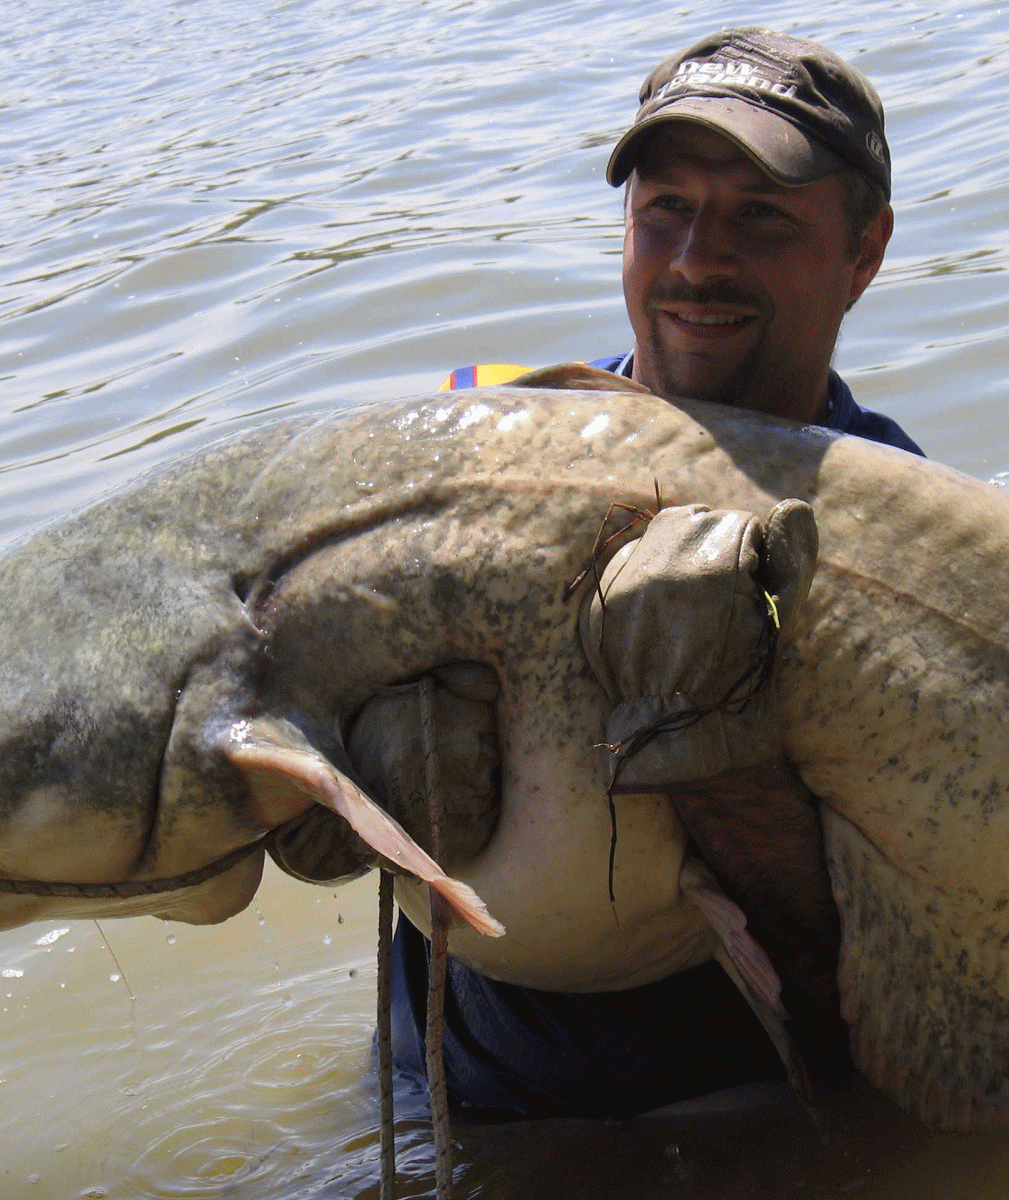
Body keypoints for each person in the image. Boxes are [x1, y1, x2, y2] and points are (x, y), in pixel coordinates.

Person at [401, 28, 924, 1119]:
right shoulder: (483, 439)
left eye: (760, 216)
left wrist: (720, 761)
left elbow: (905, 964)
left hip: (733, 1109)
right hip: (448, 1091)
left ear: (864, 254)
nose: (695, 260)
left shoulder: (908, 539)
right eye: (664, 211)